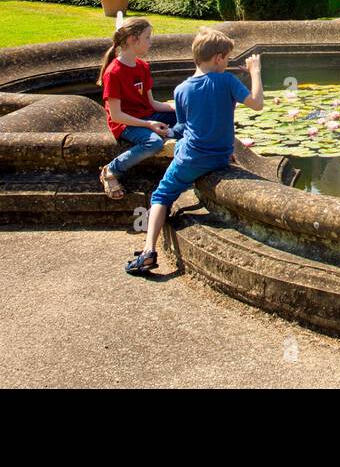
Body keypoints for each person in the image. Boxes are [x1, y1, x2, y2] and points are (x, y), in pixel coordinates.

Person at [125, 27, 263, 275]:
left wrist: (166, 133)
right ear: (218, 58)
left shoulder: (181, 90)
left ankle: (148, 251)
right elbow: (257, 104)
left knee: (160, 196)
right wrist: (255, 72)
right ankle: (148, 250)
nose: (228, 63)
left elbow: (183, 126)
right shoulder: (228, 81)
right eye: (227, 59)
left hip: (191, 158)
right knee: (165, 191)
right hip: (220, 156)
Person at [98, 17, 177, 200]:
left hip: (148, 116)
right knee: (153, 143)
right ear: (133, 39)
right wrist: (149, 124)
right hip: (127, 123)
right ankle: (111, 170)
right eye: (148, 37)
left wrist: (178, 107)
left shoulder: (142, 66)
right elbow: (116, 116)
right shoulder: (113, 73)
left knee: (188, 116)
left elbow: (152, 104)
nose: (151, 42)